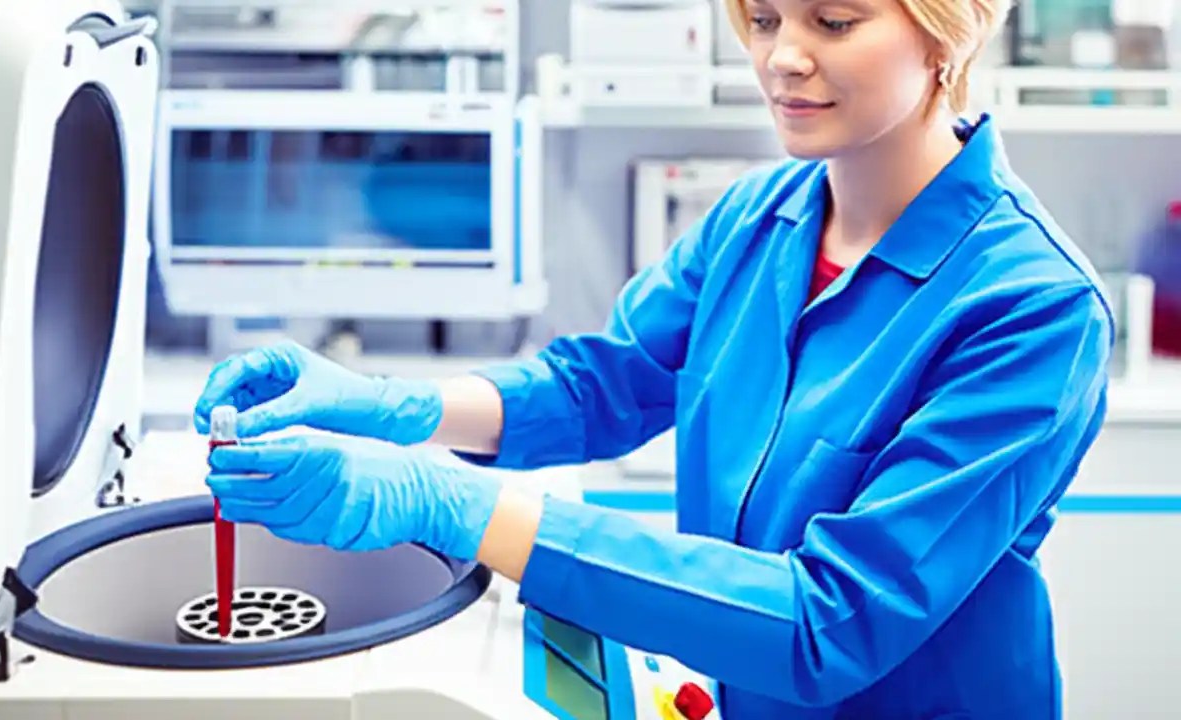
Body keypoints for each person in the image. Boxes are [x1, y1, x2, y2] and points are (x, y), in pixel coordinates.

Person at [195, 0, 1113, 716]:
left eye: (834, 21)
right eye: (762, 19)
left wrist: (456, 502)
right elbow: (602, 387)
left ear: (946, 34)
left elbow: (826, 622)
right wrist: (395, 405)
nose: (782, 57)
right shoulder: (761, 217)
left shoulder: (1033, 308)